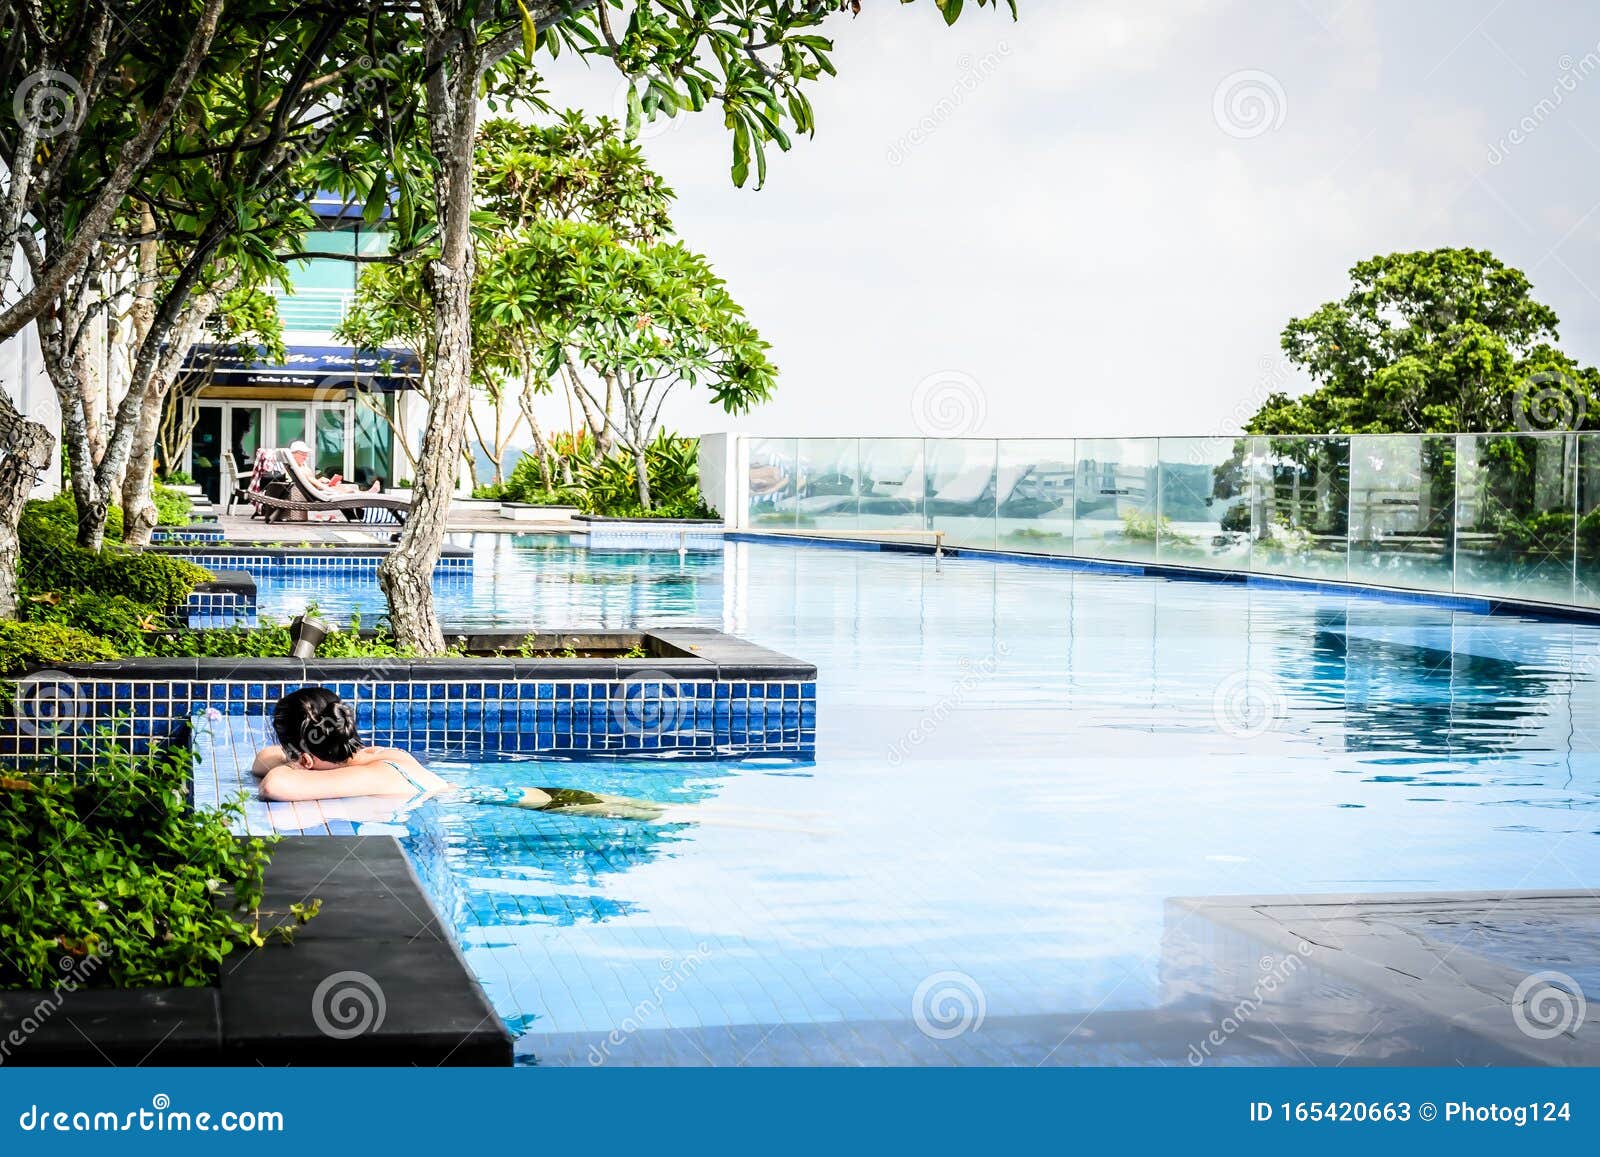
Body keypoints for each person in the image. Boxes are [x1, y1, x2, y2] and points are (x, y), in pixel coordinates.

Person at [254, 687, 667, 821]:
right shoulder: (367, 755)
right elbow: (263, 759)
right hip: (509, 793)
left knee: (652, 814)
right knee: (650, 810)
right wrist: (297, 756)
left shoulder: (368, 774)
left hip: (499, 803)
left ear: (305, 756)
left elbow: (275, 782)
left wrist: (297, 763)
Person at [286, 439, 381, 493]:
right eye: (303, 454)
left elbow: (310, 482)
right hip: (314, 491)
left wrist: (322, 481)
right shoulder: (298, 468)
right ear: (294, 454)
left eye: (306, 454)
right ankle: (367, 494)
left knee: (345, 487)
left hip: (314, 489)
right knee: (345, 489)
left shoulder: (301, 466)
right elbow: (311, 482)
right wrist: (328, 488)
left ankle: (366, 494)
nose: (305, 456)